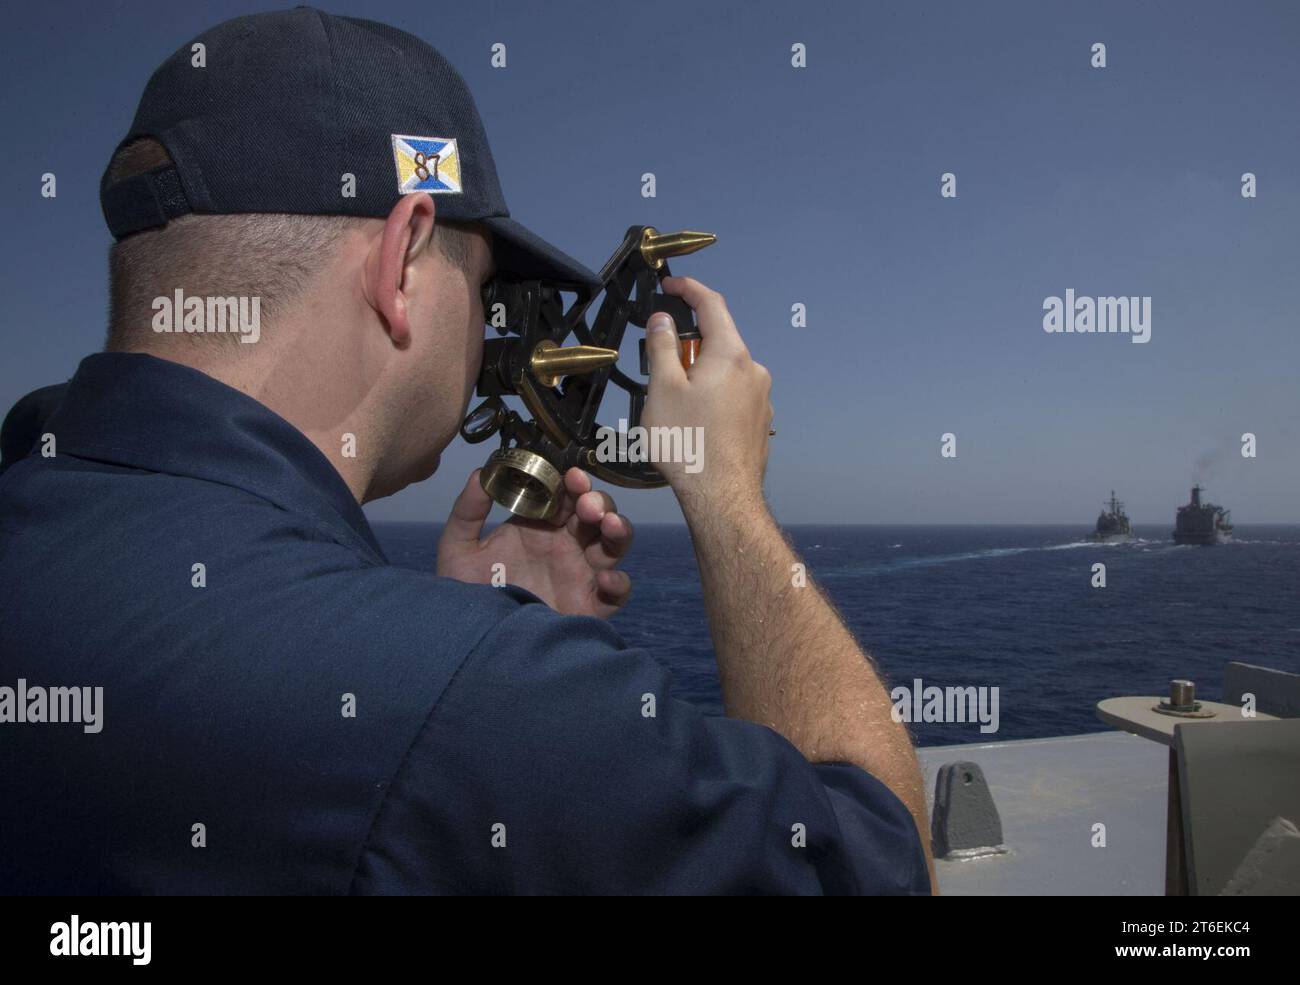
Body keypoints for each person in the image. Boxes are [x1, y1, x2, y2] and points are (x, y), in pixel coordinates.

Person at [0, 7, 933, 894]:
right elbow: (877, 862)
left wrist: (435, 633)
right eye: (485, 288)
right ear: (402, 259)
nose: (492, 336)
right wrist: (727, 496)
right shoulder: (469, 705)